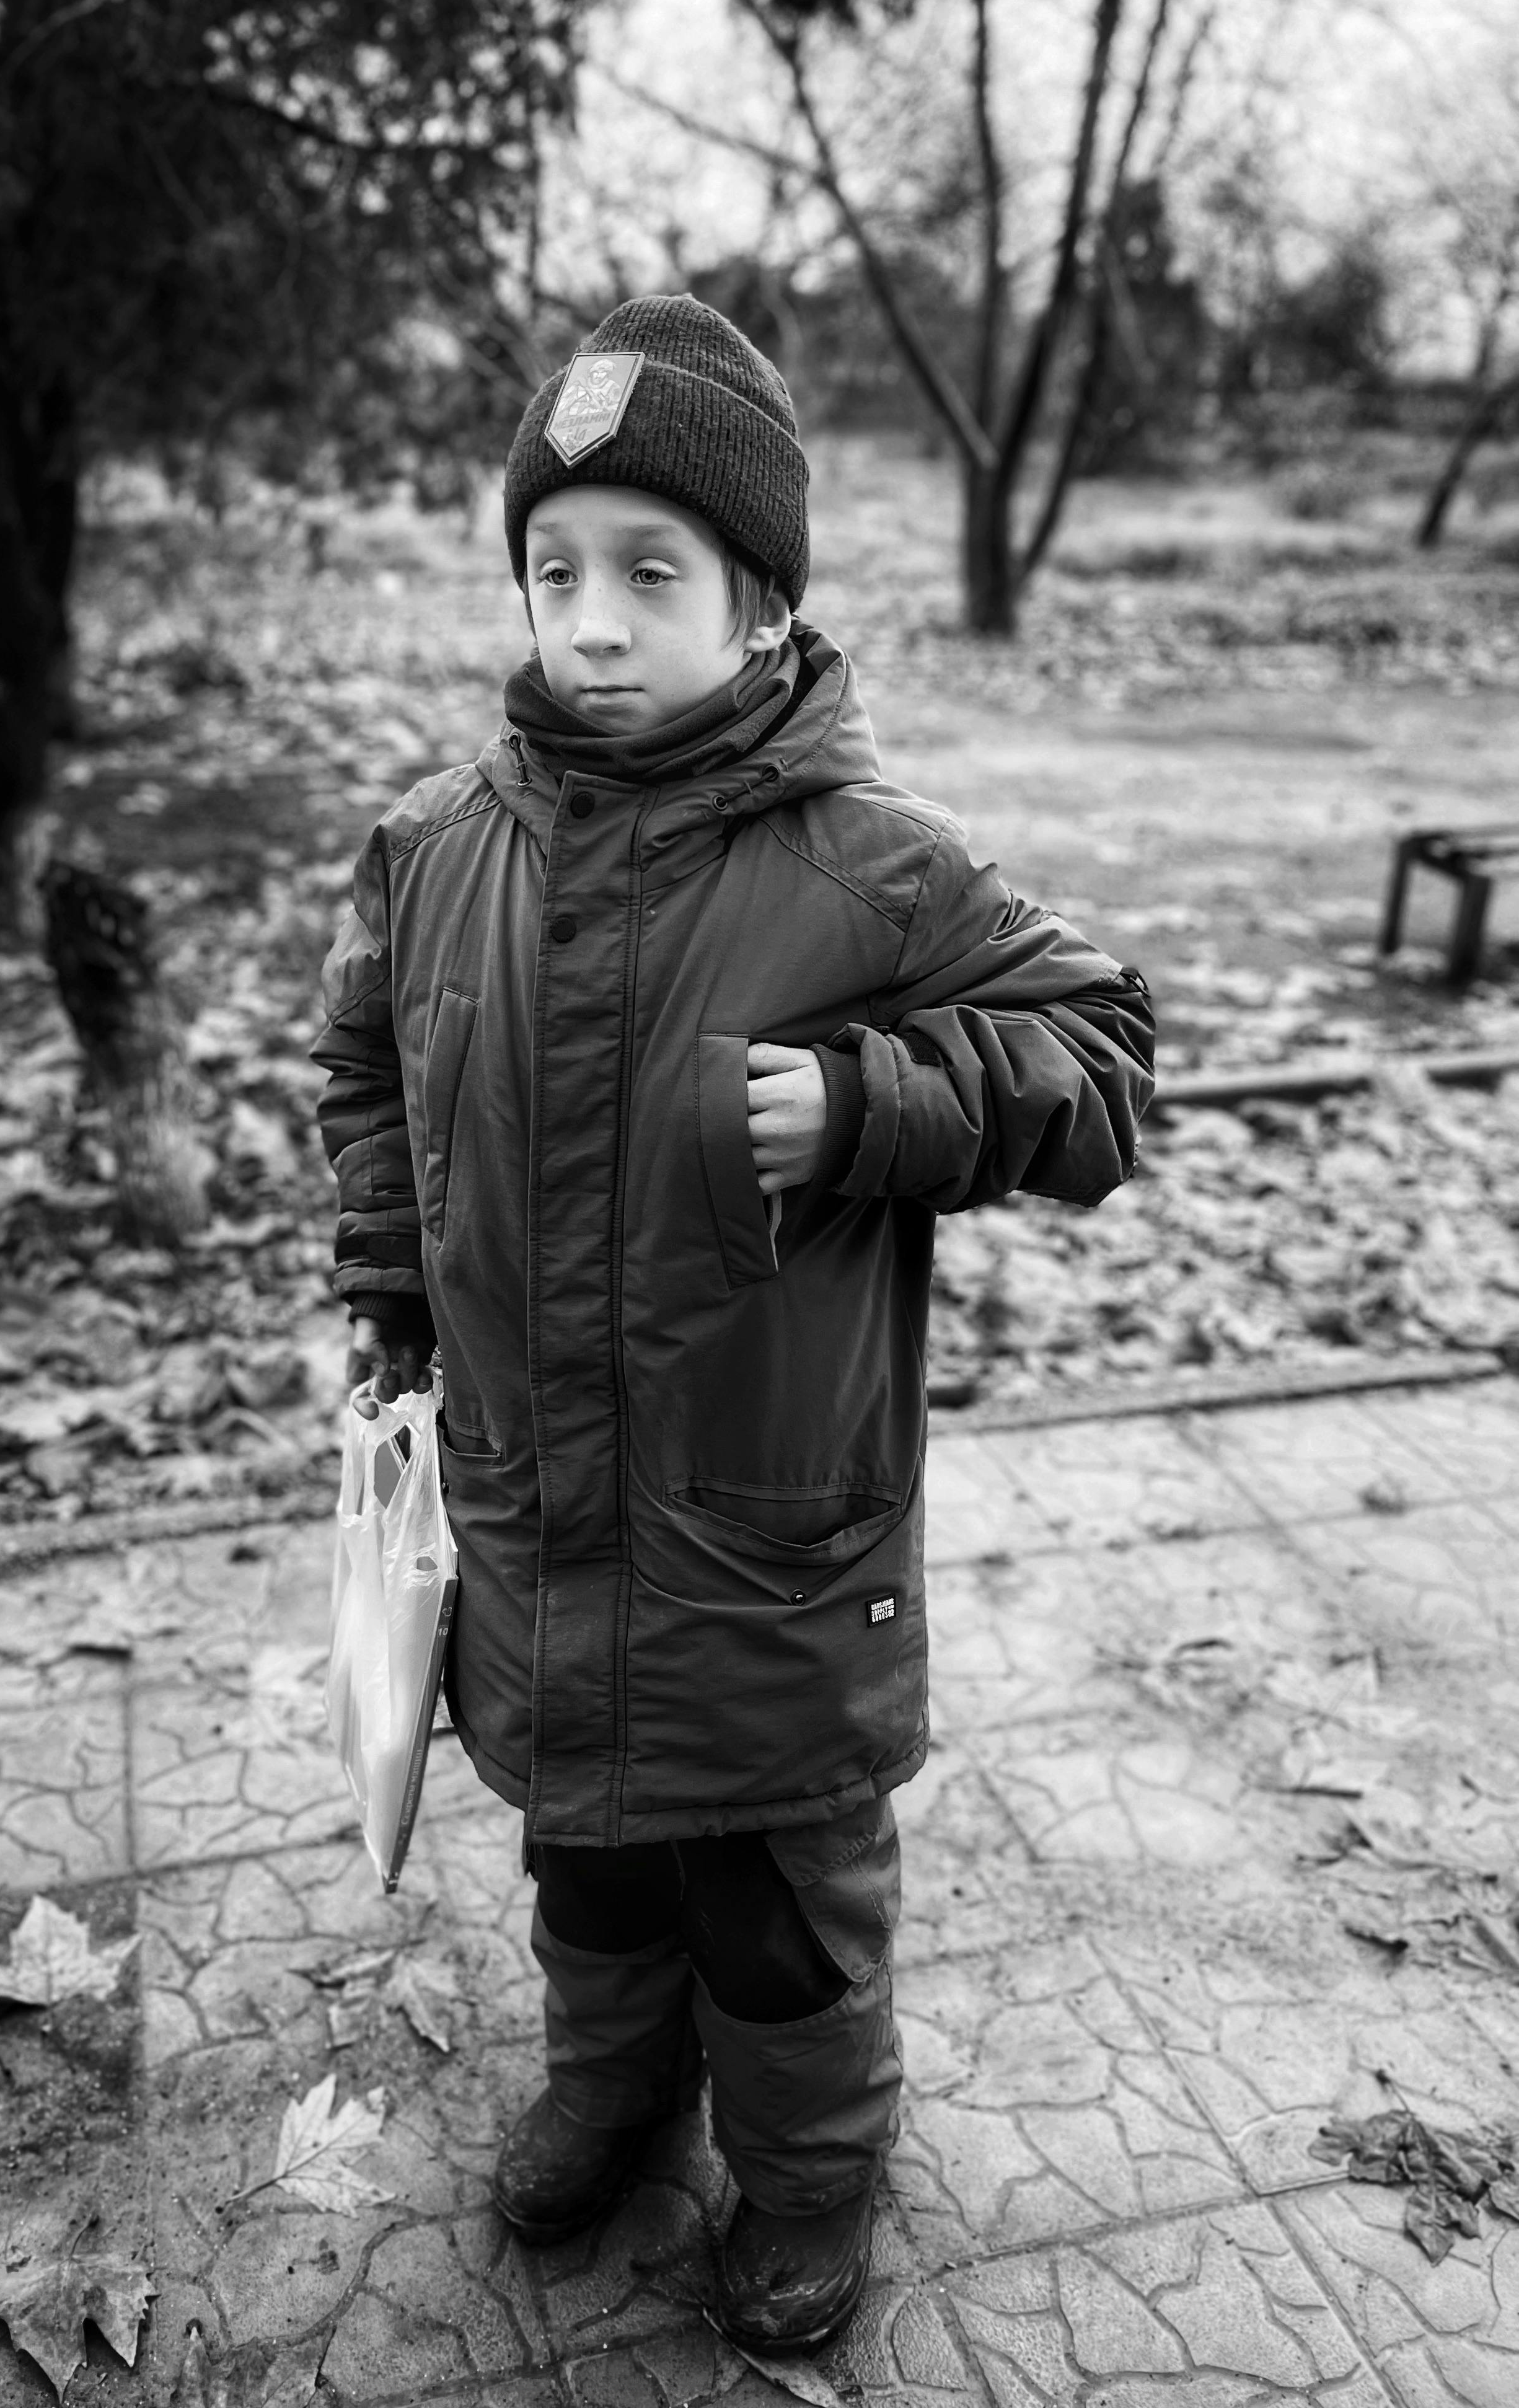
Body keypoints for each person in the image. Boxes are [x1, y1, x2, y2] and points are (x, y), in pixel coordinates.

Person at [313, 295, 1154, 2355]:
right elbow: (373, 1070)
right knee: (587, 1852)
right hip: (530, 1496)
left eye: (650, 575)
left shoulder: (866, 869)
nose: (591, 620)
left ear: (764, 606)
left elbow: (1103, 1056)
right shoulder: (441, 850)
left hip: (770, 1532)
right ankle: (615, 2080)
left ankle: (806, 2174)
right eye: (555, 570)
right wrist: (391, 1298)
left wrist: (881, 1104)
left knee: (776, 1907)